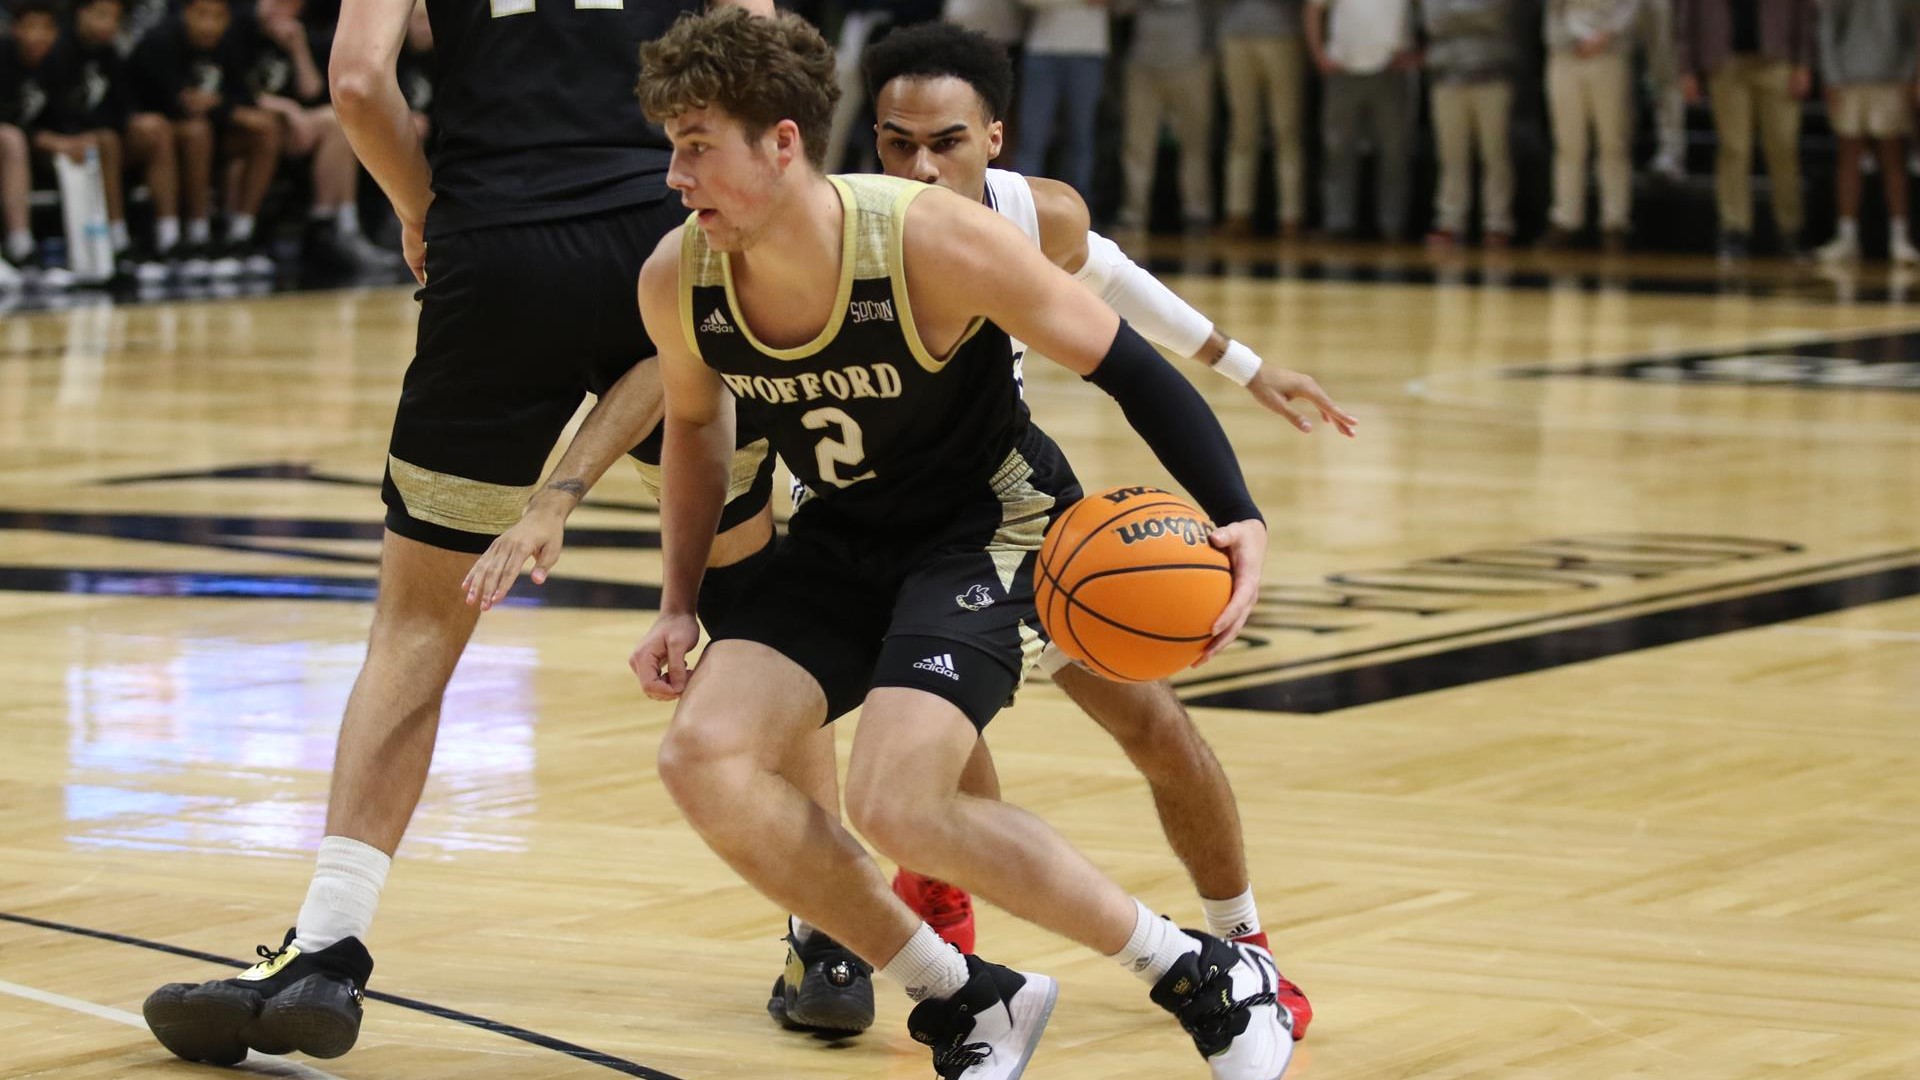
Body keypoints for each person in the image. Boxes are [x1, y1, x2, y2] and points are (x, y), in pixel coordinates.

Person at [631, 9, 1292, 1079]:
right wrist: (676, 600)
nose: (675, 175)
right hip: (846, 535)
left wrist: (1241, 513)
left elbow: (1126, 364)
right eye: (672, 145)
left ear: (783, 143)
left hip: (989, 526)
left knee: (898, 796)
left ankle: (1205, 972)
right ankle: (964, 995)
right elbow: (698, 430)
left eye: (697, 145)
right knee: (700, 756)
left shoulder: (928, 238)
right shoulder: (682, 276)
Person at [138, 0, 776, 1068]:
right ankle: (830, 943)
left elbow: (354, 79)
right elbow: (763, 62)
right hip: (668, 230)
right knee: (763, 616)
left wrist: (427, 206)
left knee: (417, 630)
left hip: (495, 250)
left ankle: (328, 948)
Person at [843, 17, 1350, 1042]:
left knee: (1153, 724)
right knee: (926, 738)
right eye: (898, 143)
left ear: (995, 135)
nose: (921, 165)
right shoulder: (846, 223)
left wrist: (1248, 367)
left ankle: (1241, 944)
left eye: (945, 141)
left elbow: (1111, 282)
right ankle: (933, 907)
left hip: (1016, 506)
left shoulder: (1036, 215)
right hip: (883, 510)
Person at [128, 0, 282, 278]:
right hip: (160, 134)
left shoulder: (230, 43)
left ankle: (240, 235)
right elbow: (179, 103)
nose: (208, 24)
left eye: (217, 16)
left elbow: (242, 97)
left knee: (266, 129)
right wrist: (226, 109)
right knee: (197, 132)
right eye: (201, 15)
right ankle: (181, 238)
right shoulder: (160, 41)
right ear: (185, 13)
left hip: (214, 131)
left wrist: (222, 107)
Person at [241, 0, 391, 271]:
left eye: (290, 6)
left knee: (337, 124)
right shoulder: (240, 30)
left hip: (291, 130)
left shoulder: (301, 36)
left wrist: (298, 48)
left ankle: (332, 225)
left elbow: (311, 90)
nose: (281, 11)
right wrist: (286, 108)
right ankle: (241, 236)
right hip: (245, 125)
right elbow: (233, 92)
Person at [1676, 0, 1816, 259]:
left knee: (1784, 147)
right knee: (1734, 148)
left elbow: (1804, 12)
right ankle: (1734, 229)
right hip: (1725, 61)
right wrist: (1687, 67)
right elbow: (1686, 15)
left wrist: (1803, 61)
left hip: (1777, 60)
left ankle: (1791, 229)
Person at [67, 0, 178, 279]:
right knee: (107, 140)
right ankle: (117, 241)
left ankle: (170, 238)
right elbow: (65, 115)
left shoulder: (109, 54)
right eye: (101, 15)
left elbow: (125, 105)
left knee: (158, 130)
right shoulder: (60, 51)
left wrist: (135, 121)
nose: (109, 24)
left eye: (114, 18)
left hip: (107, 138)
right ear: (81, 13)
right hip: (69, 142)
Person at [1813, 0, 1920, 265]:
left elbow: (1915, 33)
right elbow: (1827, 29)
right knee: (1849, 159)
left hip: (1893, 81)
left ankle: (1899, 237)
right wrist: (1833, 77)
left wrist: (1910, 76)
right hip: (1849, 80)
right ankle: (1847, 236)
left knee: (1893, 160)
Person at [1305, 0, 1419, 240]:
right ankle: (1337, 222)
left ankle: (1393, 224)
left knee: (1395, 150)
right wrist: (1318, 54)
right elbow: (1313, 8)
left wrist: (1414, 52)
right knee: (1337, 149)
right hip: (1343, 67)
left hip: (1391, 66)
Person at [1542, 0, 1637, 252]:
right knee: (1568, 144)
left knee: (1613, 142)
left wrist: (1605, 35)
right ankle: (1566, 219)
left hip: (1610, 53)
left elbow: (1632, 5)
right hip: (1564, 54)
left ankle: (1614, 223)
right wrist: (1567, 38)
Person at [1422, 0, 1517, 248]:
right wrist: (1474, 14)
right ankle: (1450, 221)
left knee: (1495, 154)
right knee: (1451, 156)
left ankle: (1498, 223)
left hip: (1492, 76)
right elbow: (1433, 20)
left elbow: (1496, 13)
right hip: (1447, 78)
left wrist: (1454, 14)